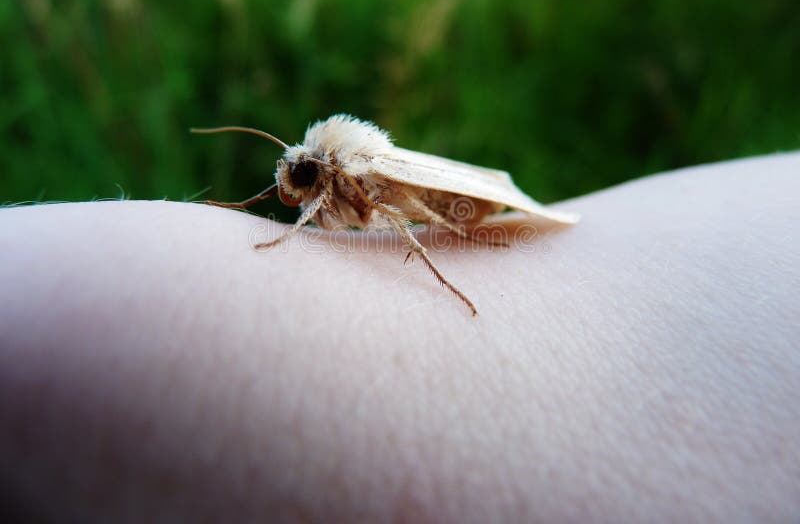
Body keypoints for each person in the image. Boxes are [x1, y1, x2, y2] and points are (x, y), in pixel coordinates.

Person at [1, 153, 798, 522]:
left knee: (432, 225)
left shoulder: (364, 180)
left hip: (463, 202)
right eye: (294, 187)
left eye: (302, 183)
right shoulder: (330, 178)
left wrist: (443, 272)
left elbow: (394, 213)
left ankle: (450, 275)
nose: (296, 194)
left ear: (329, 173)